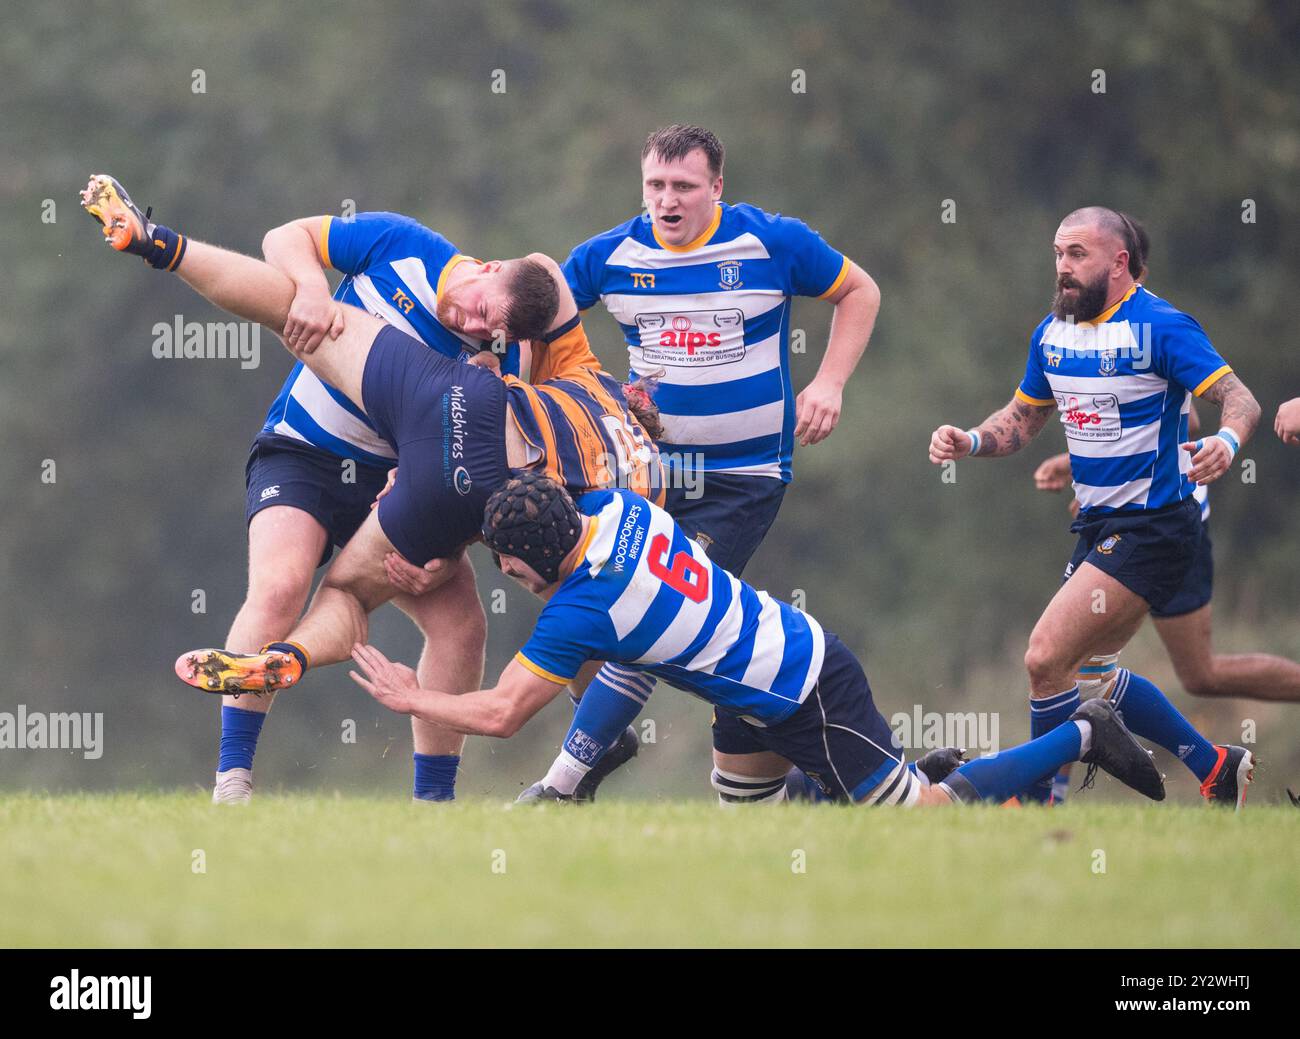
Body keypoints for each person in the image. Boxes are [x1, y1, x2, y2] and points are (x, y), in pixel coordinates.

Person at [79, 174, 663, 772]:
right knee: (281, 588)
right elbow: (285, 236)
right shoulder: (405, 245)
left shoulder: (507, 348)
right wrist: (310, 287)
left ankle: (431, 799)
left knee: (461, 627)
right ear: (487, 267)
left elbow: (516, 465)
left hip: (396, 478)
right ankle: (234, 775)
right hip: (305, 453)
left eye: (496, 330)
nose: (478, 326)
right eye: (485, 310)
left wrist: (442, 550)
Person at [339, 472, 1165, 809]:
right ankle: (891, 778)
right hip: (757, 681)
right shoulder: (614, 507)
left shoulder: (583, 610)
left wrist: (415, 696)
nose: (511, 579)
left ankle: (1082, 729)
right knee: (755, 828)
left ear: (531, 560)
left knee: (925, 816)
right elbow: (543, 496)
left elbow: (504, 713)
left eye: (509, 568)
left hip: (805, 689)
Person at [527, 124, 882, 800]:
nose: (667, 199)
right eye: (655, 186)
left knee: (651, 601)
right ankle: (831, 781)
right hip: (650, 478)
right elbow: (538, 310)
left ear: (717, 187)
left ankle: (563, 783)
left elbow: (860, 291)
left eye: (684, 186)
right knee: (564, 574)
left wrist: (830, 381)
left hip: (742, 480)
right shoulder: (611, 255)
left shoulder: (771, 242)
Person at [928, 207, 1260, 809]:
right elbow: (1024, 418)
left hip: (1155, 526)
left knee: (1044, 657)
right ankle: (1216, 766)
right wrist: (970, 440)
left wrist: (1226, 441)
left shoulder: (1161, 326)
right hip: (1098, 526)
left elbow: (1239, 400)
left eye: (1077, 254)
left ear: (1119, 262)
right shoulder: (1051, 333)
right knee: (1090, 676)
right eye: (1058, 254)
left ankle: (1037, 803)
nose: (1063, 267)